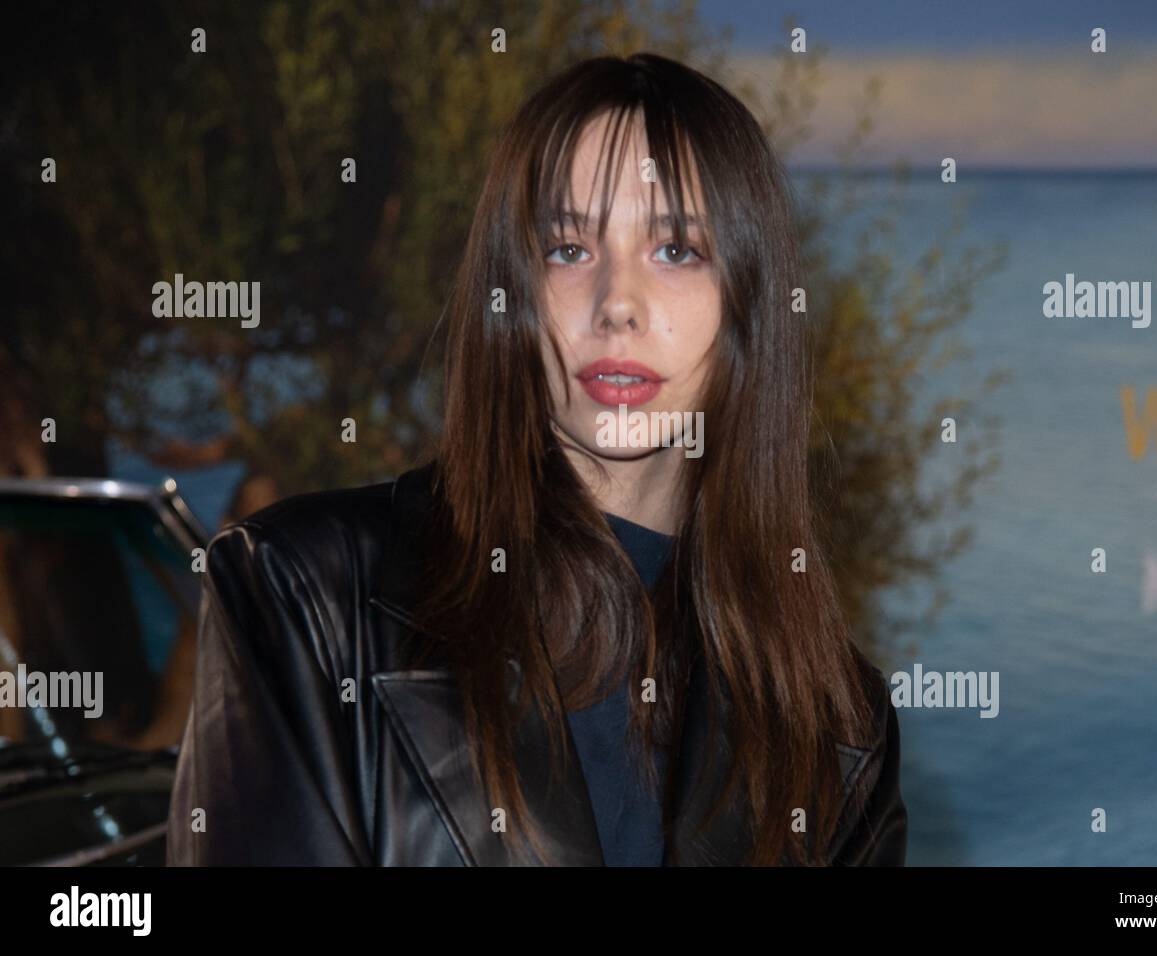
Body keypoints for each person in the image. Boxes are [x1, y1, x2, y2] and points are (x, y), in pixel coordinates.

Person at [165, 51, 906, 867]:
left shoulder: (840, 723)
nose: (618, 304)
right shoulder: (302, 592)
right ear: (509, 295)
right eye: (566, 248)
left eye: (676, 250)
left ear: (748, 305)